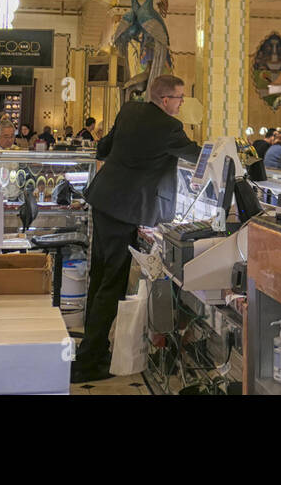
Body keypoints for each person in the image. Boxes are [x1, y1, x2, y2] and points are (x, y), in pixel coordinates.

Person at [74, 74, 201, 383]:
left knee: (101, 276)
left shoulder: (130, 110)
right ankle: (89, 362)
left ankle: (91, 350)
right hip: (125, 210)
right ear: (165, 100)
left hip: (104, 200)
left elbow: (104, 147)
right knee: (112, 283)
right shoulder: (170, 128)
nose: (182, 103)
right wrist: (229, 153)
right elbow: (197, 156)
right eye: (180, 98)